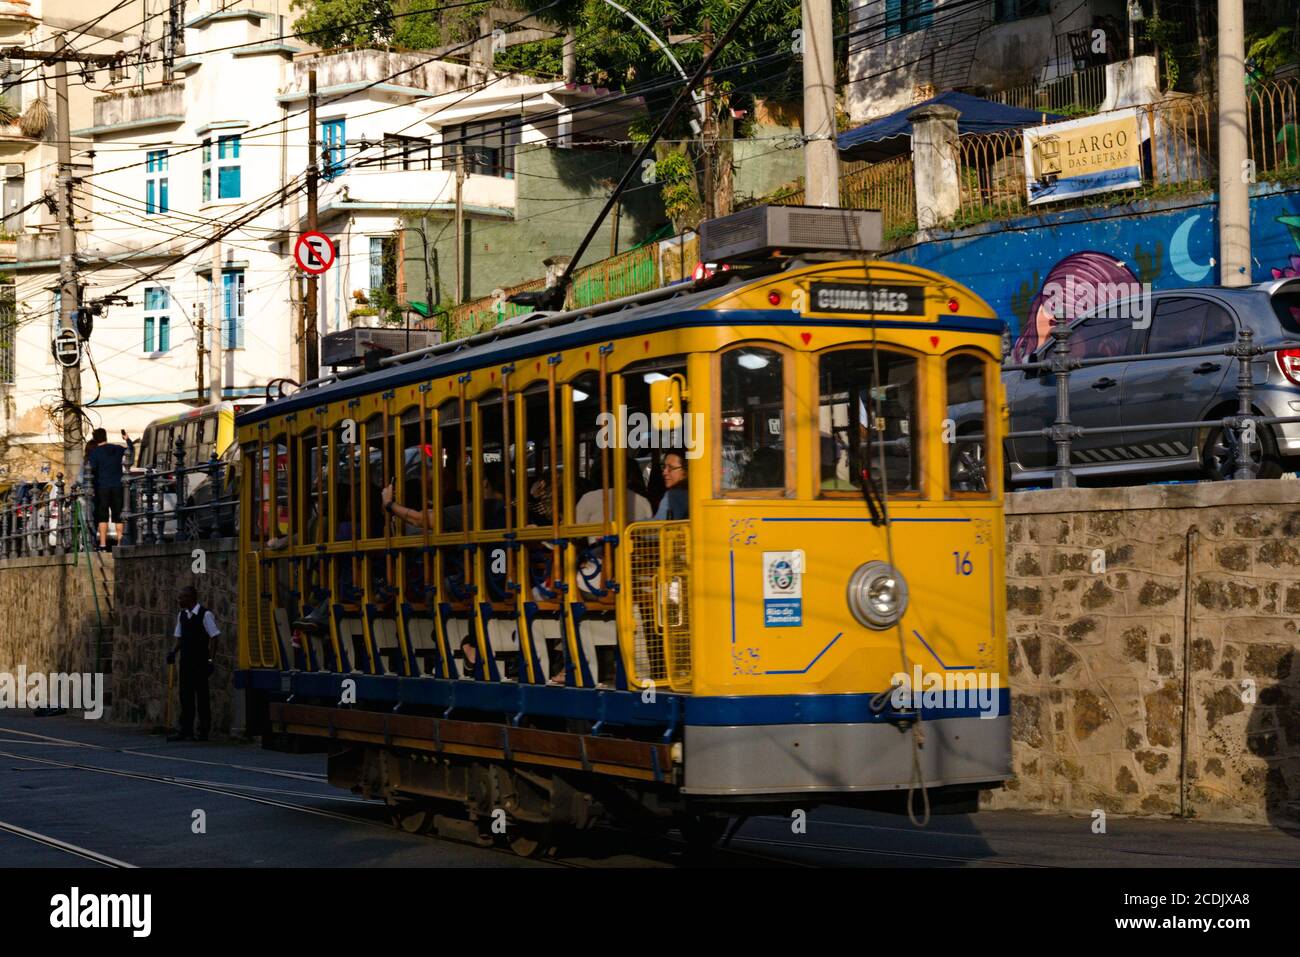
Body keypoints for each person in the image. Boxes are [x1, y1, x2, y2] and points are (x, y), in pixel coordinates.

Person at [166, 585, 220, 742]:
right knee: (185, 696)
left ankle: (203, 731)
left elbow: (214, 636)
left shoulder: (205, 614)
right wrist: (173, 652)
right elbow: (180, 638)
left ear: (190, 598)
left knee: (202, 697)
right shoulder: (182, 615)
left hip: (200, 661)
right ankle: (186, 729)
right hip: (186, 662)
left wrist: (210, 659)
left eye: (182, 597)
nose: (179, 600)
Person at [86, 427, 135, 550]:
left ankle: (102, 544)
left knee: (103, 516)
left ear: (95, 439)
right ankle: (120, 542)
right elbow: (130, 450)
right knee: (118, 515)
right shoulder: (117, 448)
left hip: (102, 487)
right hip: (118, 486)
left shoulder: (95, 452)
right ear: (106, 436)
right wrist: (127, 439)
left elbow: (91, 469)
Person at [653, 452, 689, 520]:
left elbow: (658, 525)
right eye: (664, 467)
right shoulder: (694, 493)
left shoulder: (673, 495)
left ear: (685, 470)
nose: (664, 472)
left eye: (671, 468)